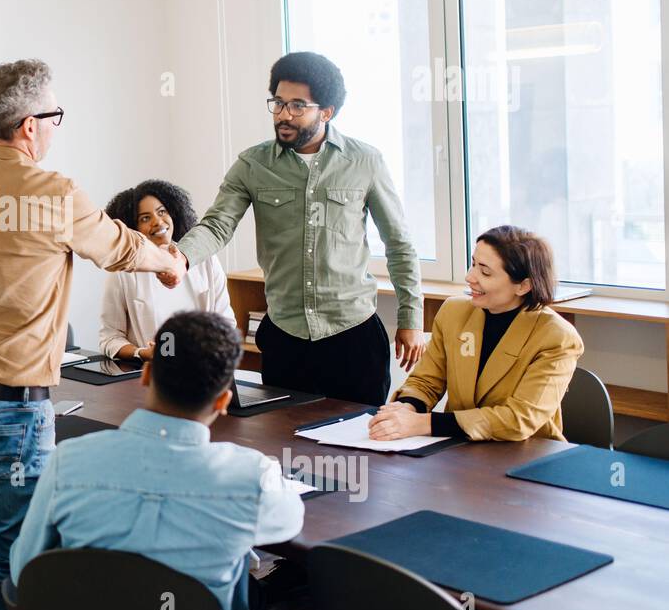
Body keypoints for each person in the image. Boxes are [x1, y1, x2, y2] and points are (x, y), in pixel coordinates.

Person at [0, 59, 186, 610]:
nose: (56, 127)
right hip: (9, 405)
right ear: (29, 125)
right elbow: (118, 247)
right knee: (19, 553)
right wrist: (171, 262)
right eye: (54, 116)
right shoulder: (51, 192)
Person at [10, 311, 305, 610]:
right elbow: (289, 522)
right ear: (223, 401)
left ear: (146, 374)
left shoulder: (67, 461)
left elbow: (24, 570)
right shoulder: (253, 476)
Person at [170, 51, 425, 408]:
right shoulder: (252, 164)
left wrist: (410, 319)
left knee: (360, 452)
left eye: (297, 105)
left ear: (326, 112)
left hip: (353, 335)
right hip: (284, 336)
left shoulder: (365, 161)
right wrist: (180, 256)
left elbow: (398, 244)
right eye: (277, 102)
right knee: (285, 446)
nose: (284, 114)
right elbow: (217, 225)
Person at [371, 225, 583, 442]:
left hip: (526, 455)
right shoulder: (454, 312)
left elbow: (519, 419)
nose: (470, 276)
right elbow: (425, 381)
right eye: (473, 264)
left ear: (523, 286)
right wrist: (406, 408)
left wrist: (423, 424)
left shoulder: (557, 337)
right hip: (460, 450)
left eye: (485, 271)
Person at [99, 179, 237, 360]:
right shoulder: (123, 271)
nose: (158, 222)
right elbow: (110, 338)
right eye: (145, 218)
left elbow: (226, 324)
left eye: (162, 212)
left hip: (203, 367)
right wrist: (142, 353)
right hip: (148, 373)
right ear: (132, 227)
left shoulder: (205, 259)